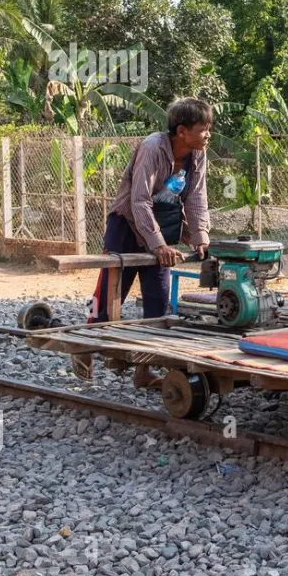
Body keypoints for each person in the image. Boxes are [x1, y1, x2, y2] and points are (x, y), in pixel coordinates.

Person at [74, 98, 213, 380]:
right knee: (108, 296)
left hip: (160, 229)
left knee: (157, 302)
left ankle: (144, 370)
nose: (208, 135)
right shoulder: (152, 148)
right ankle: (82, 346)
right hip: (126, 226)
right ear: (182, 131)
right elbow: (139, 201)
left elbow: (197, 197)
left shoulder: (198, 155)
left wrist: (200, 236)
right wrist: (158, 244)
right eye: (203, 129)